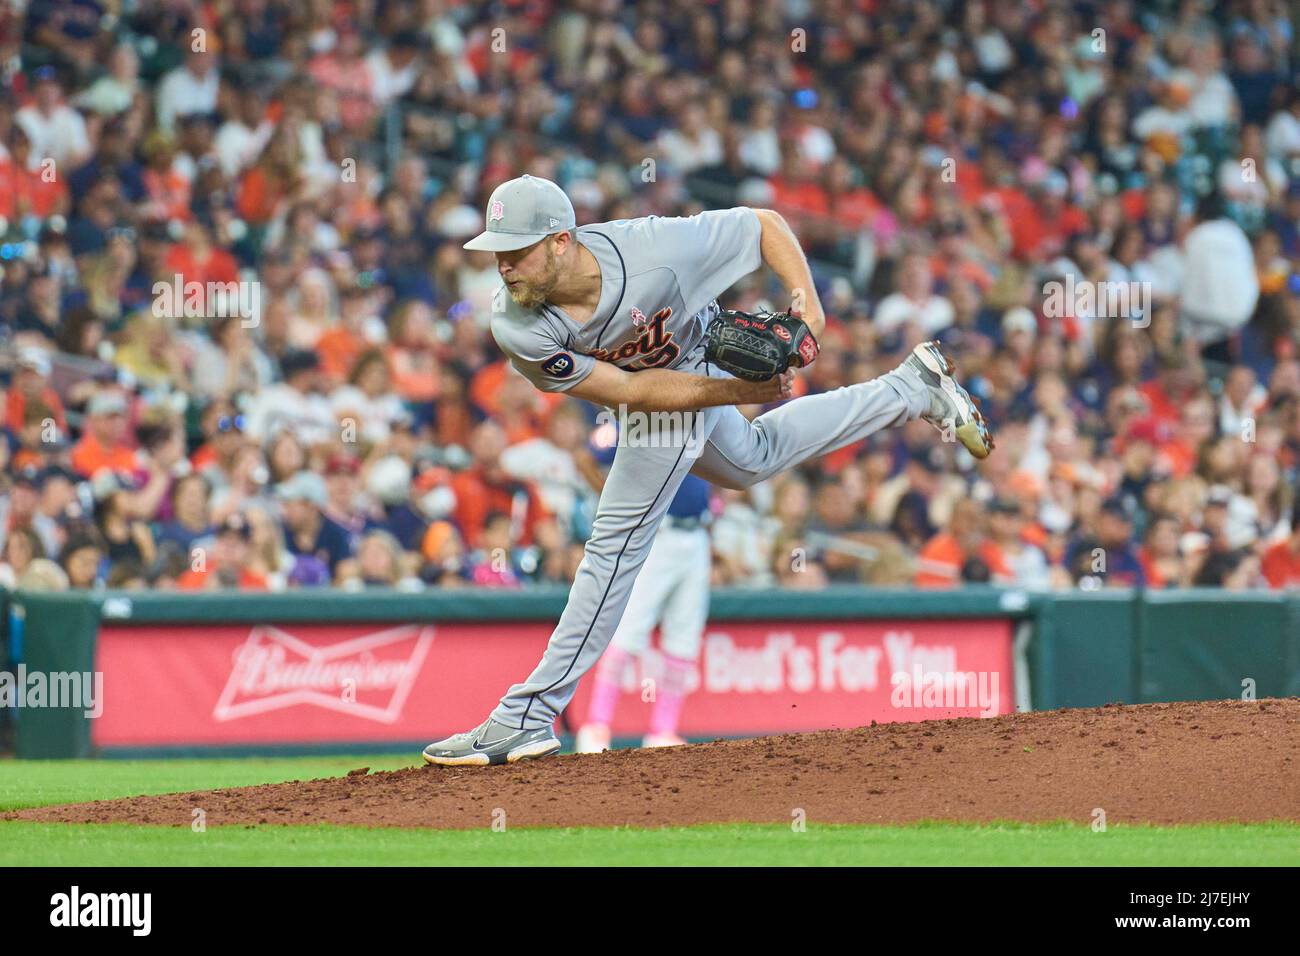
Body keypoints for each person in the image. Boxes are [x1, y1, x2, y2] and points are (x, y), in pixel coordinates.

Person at [421, 174, 991, 766]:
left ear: (561, 241)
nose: (503, 266)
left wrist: (807, 306)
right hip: (664, 389)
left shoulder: (656, 249)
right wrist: (730, 391)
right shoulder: (516, 324)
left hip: (697, 353)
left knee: (612, 548)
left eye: (515, 251)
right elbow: (628, 391)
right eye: (496, 251)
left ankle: (529, 716)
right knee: (751, 460)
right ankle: (909, 389)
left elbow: (764, 224)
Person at [576, 475, 713, 752]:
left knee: (685, 635)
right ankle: (596, 726)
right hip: (658, 532)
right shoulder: (655, 429)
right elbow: (600, 455)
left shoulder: (705, 432)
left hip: (698, 534)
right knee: (629, 629)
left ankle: (663, 730)